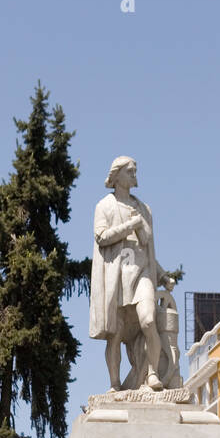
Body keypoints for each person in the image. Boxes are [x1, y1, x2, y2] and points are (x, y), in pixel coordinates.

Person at [90, 156, 178, 393]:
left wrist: (162, 276)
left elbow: (146, 248)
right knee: (115, 334)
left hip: (141, 274)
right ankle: (115, 384)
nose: (134, 175)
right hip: (116, 276)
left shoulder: (143, 209)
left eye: (135, 171)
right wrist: (130, 226)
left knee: (148, 320)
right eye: (130, 171)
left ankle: (152, 374)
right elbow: (101, 236)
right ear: (117, 175)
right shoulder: (105, 206)